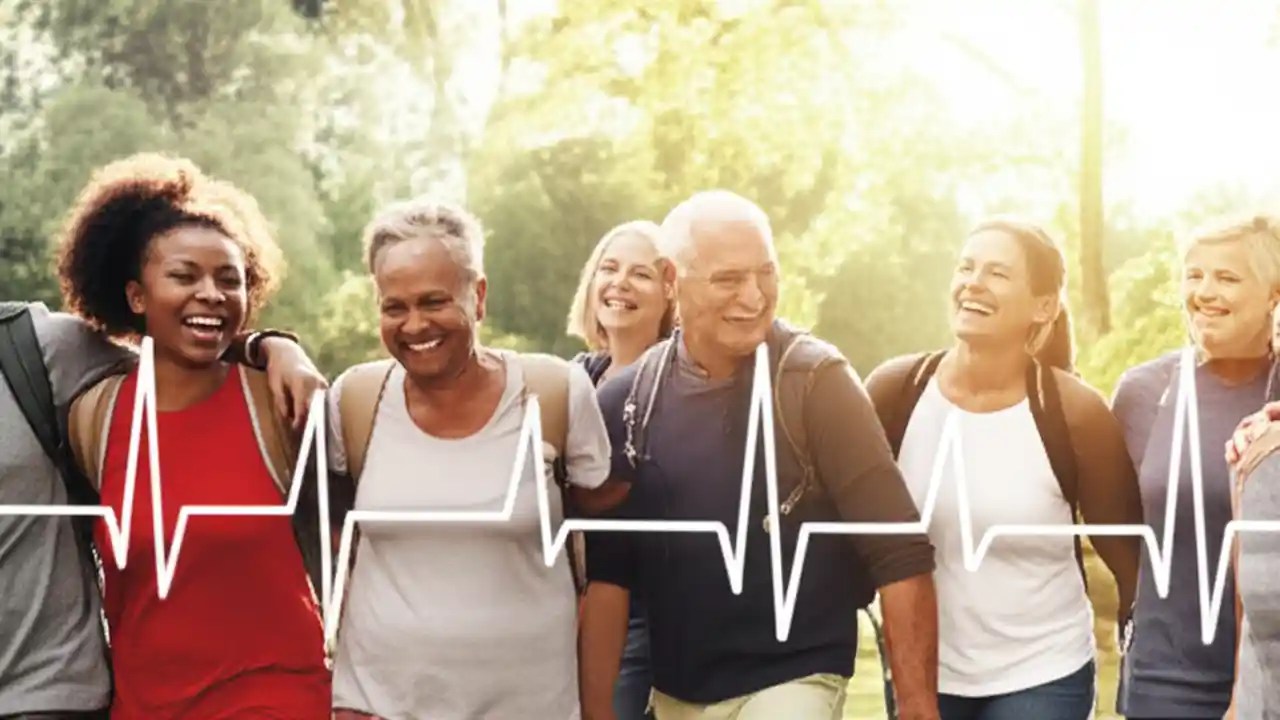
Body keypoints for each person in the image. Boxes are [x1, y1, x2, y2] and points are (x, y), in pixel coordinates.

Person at [579, 190, 940, 720]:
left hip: (798, 673)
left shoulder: (817, 383)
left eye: (765, 273)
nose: (753, 297)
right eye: (728, 279)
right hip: (678, 689)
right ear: (673, 279)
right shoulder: (626, 400)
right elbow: (610, 577)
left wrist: (917, 705)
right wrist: (596, 712)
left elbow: (899, 549)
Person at [55, 153, 331, 719]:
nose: (211, 293)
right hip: (143, 707)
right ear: (137, 296)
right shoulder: (94, 417)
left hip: (278, 701)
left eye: (229, 280)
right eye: (184, 276)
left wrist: (274, 344)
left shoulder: (274, 401)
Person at [325, 198, 617, 720]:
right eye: (394, 307)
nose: (415, 325)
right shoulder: (354, 400)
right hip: (378, 705)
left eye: (434, 302)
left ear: (477, 296)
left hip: (531, 707)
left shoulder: (555, 392)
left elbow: (607, 546)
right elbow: (330, 537)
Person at [865, 218, 1142, 720]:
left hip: (1043, 671)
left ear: (1044, 306)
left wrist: (1144, 665)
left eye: (997, 273)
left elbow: (1127, 560)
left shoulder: (1075, 413)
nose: (973, 282)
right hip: (923, 672)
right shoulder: (894, 392)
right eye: (966, 267)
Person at [1116, 215, 1280, 719]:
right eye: (1194, 275)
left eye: (1227, 277)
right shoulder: (1143, 393)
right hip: (1166, 684)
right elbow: (1123, 531)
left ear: (1274, 294)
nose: (1204, 292)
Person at [566, 219, 677, 720]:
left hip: (647, 613)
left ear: (671, 292)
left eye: (641, 274)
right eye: (609, 269)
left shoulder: (683, 379)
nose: (620, 283)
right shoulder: (574, 379)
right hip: (571, 607)